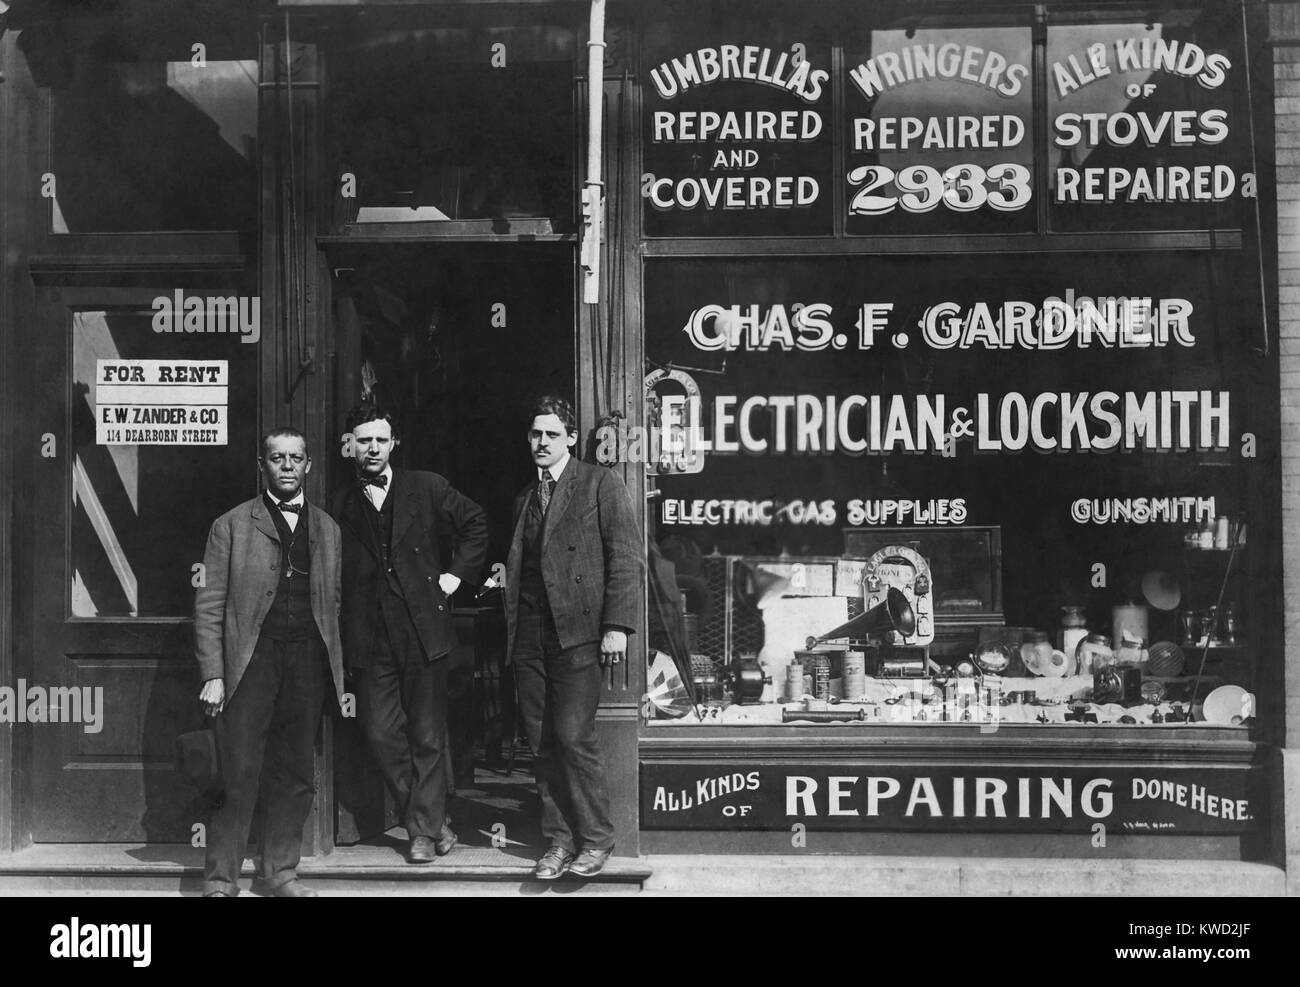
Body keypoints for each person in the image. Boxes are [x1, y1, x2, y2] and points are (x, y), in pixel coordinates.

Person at [193, 427, 346, 898]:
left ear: (308, 466)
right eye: (276, 458)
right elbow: (209, 604)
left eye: (295, 458)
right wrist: (215, 674)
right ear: (262, 466)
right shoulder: (232, 525)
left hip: (305, 661)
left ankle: (280, 872)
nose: (286, 466)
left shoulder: (327, 528)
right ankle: (221, 880)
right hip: (249, 662)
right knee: (237, 772)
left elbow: (334, 602)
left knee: (295, 772)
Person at [332, 404, 488, 863]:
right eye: (363, 441)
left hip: (424, 630)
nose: (372, 448)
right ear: (351, 446)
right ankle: (433, 820)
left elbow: (476, 521)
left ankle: (420, 831)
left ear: (393, 442)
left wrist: (455, 577)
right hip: (368, 635)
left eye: (381, 440)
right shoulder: (338, 503)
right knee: (380, 732)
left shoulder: (428, 486)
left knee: (426, 734)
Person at [505, 396, 642, 880]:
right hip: (530, 634)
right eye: (534, 435)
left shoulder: (599, 483)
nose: (541, 443)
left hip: (581, 633)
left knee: (572, 736)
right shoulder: (524, 498)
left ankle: (597, 838)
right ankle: (558, 842)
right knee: (541, 744)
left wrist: (616, 626)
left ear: (568, 437)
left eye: (551, 434)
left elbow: (626, 557)